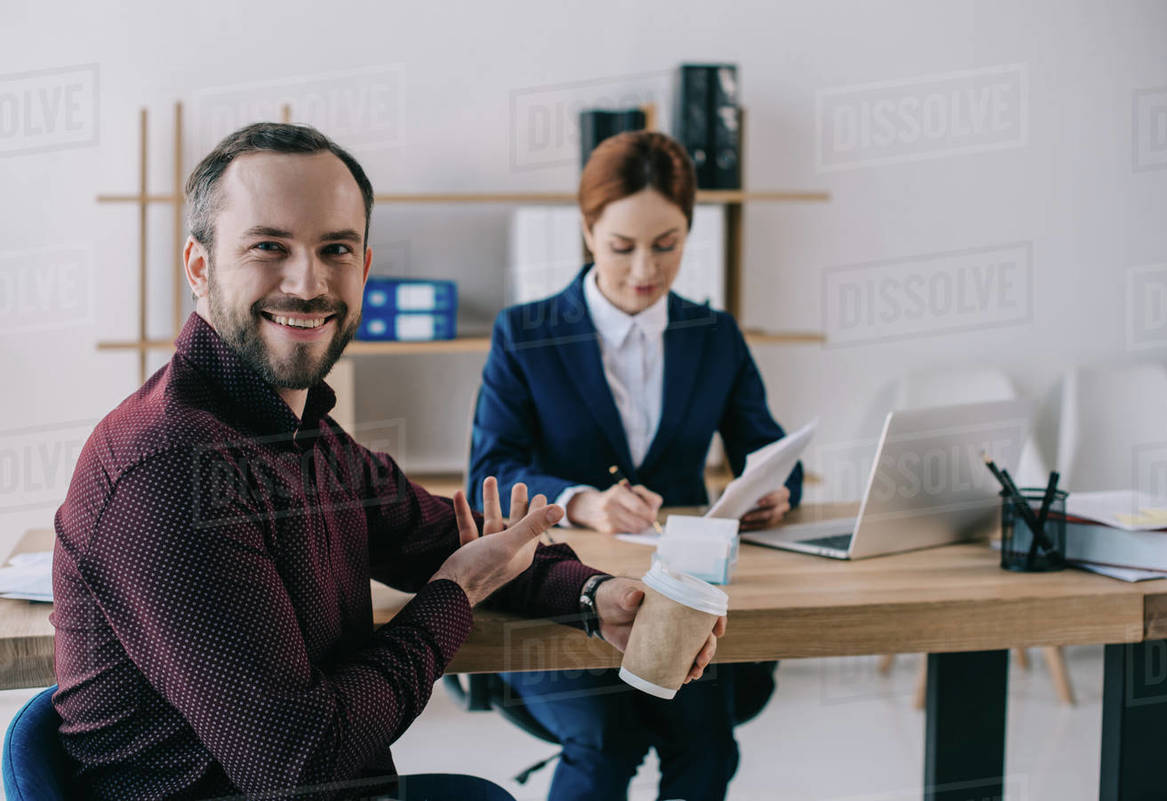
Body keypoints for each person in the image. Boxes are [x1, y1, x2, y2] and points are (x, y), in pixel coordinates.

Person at [49, 123, 723, 801]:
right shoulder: (166, 468)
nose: (308, 282)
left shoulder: (304, 433)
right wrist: (453, 596)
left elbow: (453, 537)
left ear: (364, 269)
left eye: (334, 248)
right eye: (268, 247)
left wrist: (595, 594)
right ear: (199, 266)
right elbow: (304, 763)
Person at [469, 130, 803, 801]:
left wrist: (776, 491)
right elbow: (493, 467)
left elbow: (767, 450)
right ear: (590, 230)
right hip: (559, 593)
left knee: (707, 745)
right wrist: (584, 500)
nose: (645, 268)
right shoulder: (526, 332)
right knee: (604, 736)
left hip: (679, 591)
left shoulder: (713, 335)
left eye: (668, 243)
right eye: (623, 246)